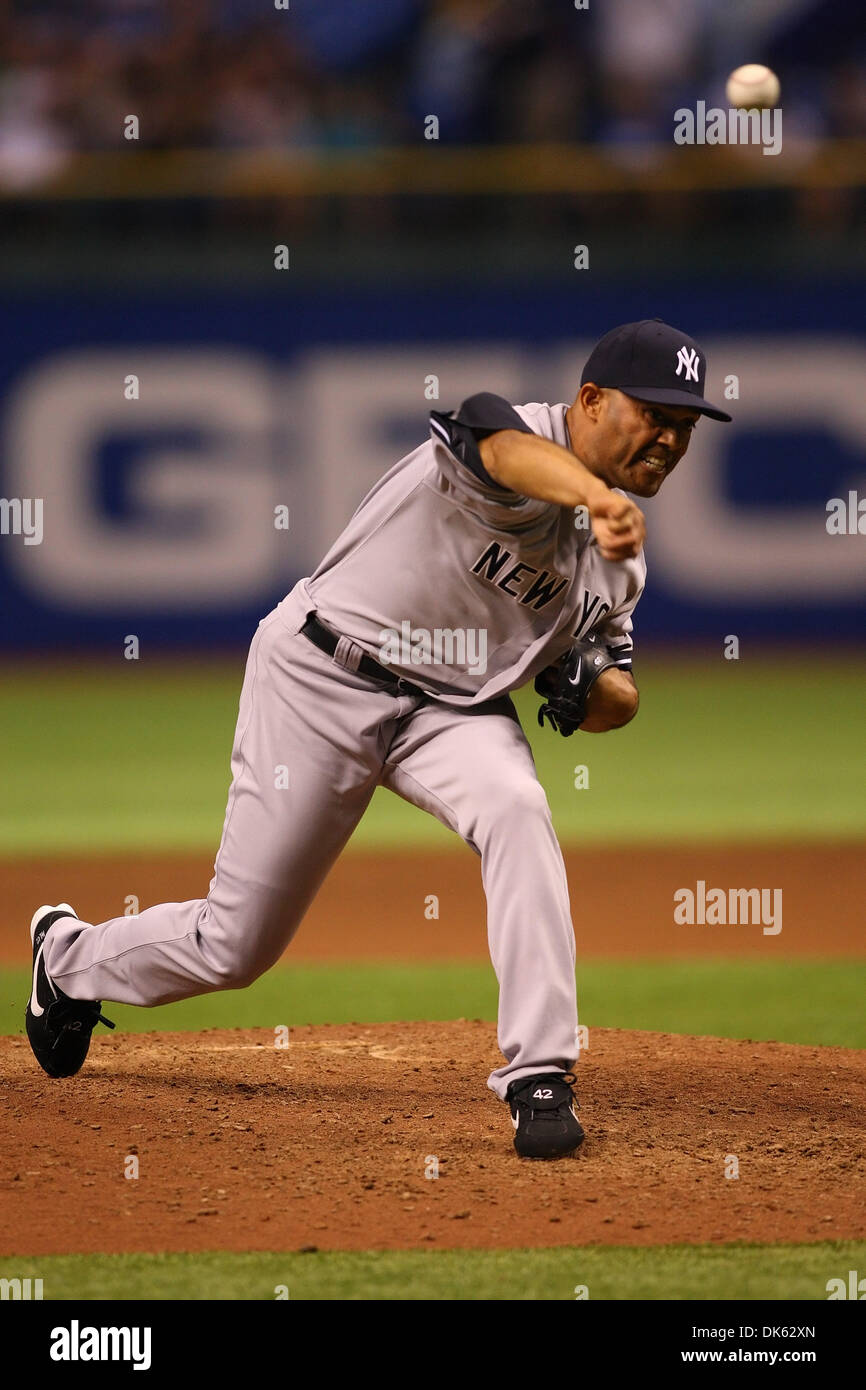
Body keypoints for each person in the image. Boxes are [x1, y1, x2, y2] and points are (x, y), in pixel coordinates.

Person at [26, 318, 731, 1160]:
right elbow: (496, 450)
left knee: (516, 806)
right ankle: (66, 957)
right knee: (236, 945)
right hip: (323, 673)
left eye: (683, 427)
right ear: (588, 400)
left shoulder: (621, 564)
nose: (667, 439)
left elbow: (615, 685)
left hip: (450, 711)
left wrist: (594, 694)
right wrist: (593, 496)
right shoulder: (512, 434)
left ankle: (540, 1073)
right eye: (653, 414)